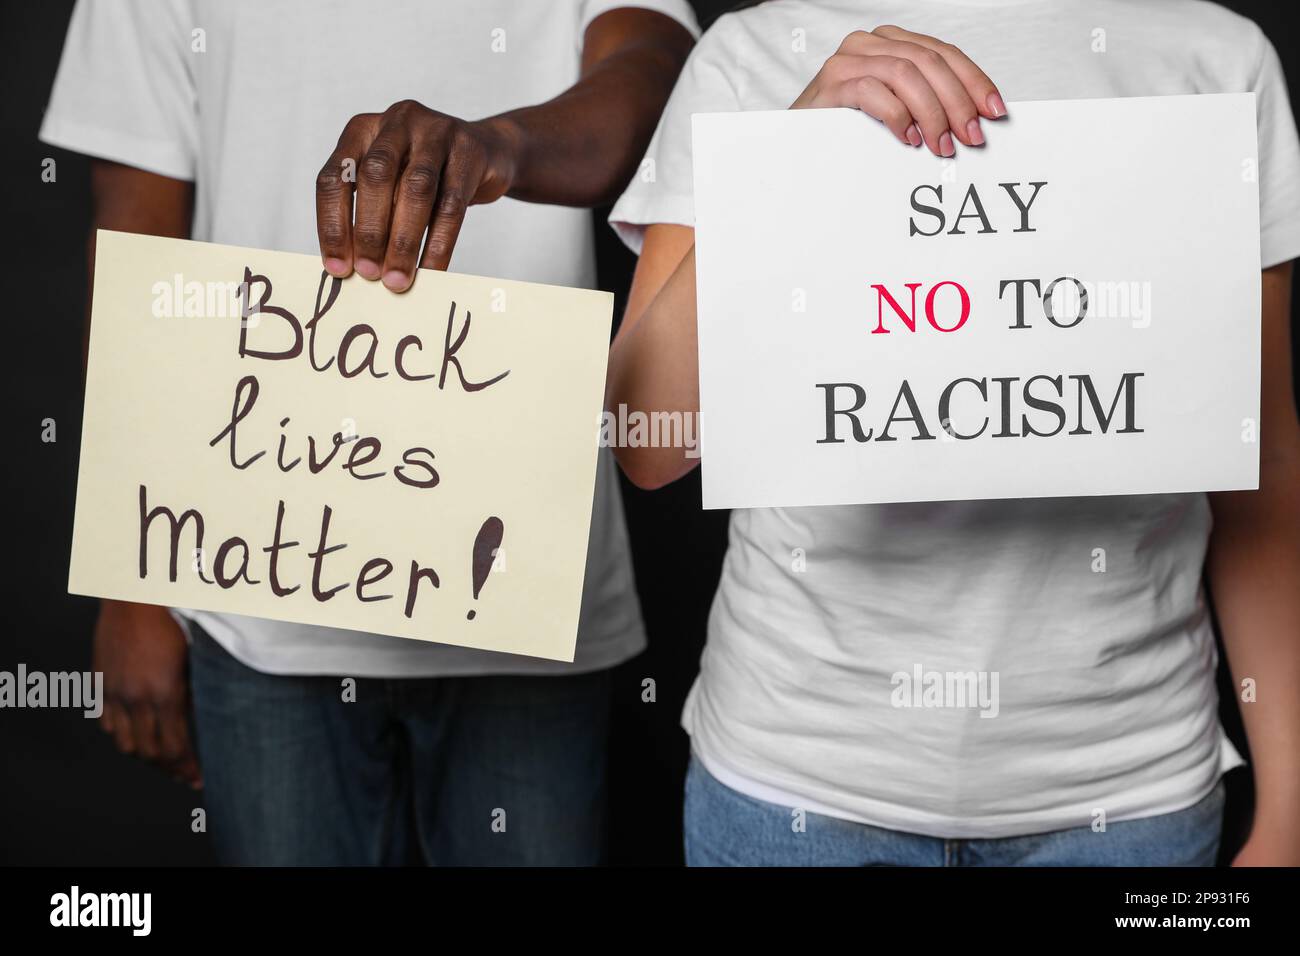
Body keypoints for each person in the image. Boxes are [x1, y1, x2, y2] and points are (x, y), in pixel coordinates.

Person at [608, 0, 1300, 866]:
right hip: (795, 790)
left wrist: (1290, 810)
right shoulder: (751, 52)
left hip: (1127, 799)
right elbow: (647, 441)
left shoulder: (1217, 56)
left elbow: (1260, 459)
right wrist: (793, 160)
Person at [41, 0, 697, 866]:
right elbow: (133, 226)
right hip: (253, 587)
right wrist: (129, 584)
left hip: (528, 584)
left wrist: (501, 145)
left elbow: (655, 65)